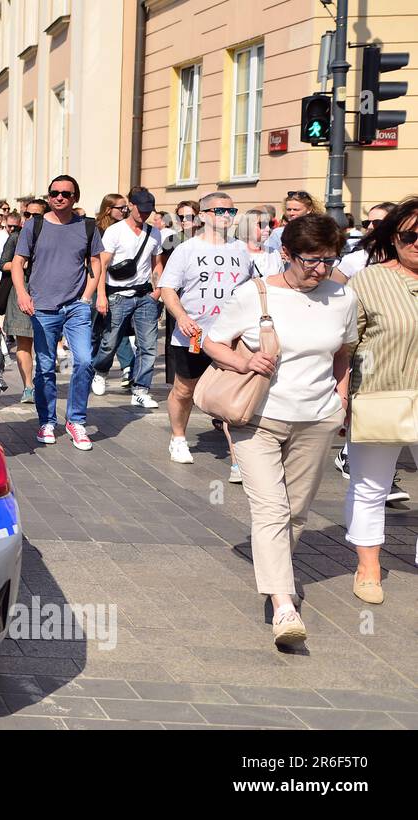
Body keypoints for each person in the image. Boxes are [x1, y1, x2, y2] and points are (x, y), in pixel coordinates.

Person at [203, 214, 356, 647]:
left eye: (330, 259)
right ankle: (284, 605)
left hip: (318, 418)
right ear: (286, 253)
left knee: (297, 511)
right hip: (258, 419)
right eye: (312, 260)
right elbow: (211, 342)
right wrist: (244, 361)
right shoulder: (254, 294)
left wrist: (341, 399)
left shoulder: (342, 296)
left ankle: (275, 574)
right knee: (271, 509)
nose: (321, 270)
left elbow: (343, 352)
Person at [340, 198, 418, 605]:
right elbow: (347, 344)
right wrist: (342, 396)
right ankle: (368, 566)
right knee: (371, 487)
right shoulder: (368, 281)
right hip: (379, 394)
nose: (417, 242)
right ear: (393, 237)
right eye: (410, 235)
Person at [158, 191, 253, 477]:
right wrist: (183, 318)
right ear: (203, 215)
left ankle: (238, 460)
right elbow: (167, 290)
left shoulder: (242, 249)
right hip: (195, 334)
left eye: (231, 212)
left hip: (231, 337)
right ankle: (178, 438)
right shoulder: (186, 250)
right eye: (220, 211)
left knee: (232, 395)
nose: (226, 216)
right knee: (185, 390)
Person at [10, 175, 105, 450]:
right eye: (54, 193)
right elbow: (18, 263)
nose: (59, 197)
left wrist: (87, 296)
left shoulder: (87, 227)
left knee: (85, 361)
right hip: (42, 308)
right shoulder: (34, 225)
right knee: (46, 366)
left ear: (75, 197)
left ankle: (76, 420)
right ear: (49, 195)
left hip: (76, 307)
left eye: (66, 193)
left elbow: (96, 262)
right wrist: (22, 293)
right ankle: (47, 419)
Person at [92, 188, 165, 409]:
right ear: (130, 206)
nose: (144, 215)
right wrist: (102, 295)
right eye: (140, 210)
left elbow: (157, 263)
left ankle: (141, 389)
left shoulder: (154, 233)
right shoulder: (115, 231)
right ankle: (100, 371)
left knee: (148, 345)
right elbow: (102, 265)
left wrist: (157, 291)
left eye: (148, 211)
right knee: (109, 342)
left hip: (145, 295)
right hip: (117, 295)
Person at [0, 209, 35, 402]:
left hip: (47, 295)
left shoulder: (54, 238)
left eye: (37, 215)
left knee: (46, 345)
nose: (32, 219)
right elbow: (3, 264)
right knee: (24, 341)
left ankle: (42, 384)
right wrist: (21, 264)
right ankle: (29, 386)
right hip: (20, 293)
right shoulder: (16, 238)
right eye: (29, 215)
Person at [338, 202, 397, 278]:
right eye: (367, 223)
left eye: (377, 223)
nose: (369, 227)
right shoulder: (353, 260)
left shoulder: (409, 258)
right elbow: (333, 288)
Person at [264, 191, 322, 255]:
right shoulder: (278, 233)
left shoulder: (318, 231)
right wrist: (277, 256)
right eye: (289, 209)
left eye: (296, 210)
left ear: (309, 209)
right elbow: (266, 255)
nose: (291, 213)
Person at [240, 208, 283, 279]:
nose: (268, 229)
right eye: (262, 225)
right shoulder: (238, 254)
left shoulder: (274, 253)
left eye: (270, 224)